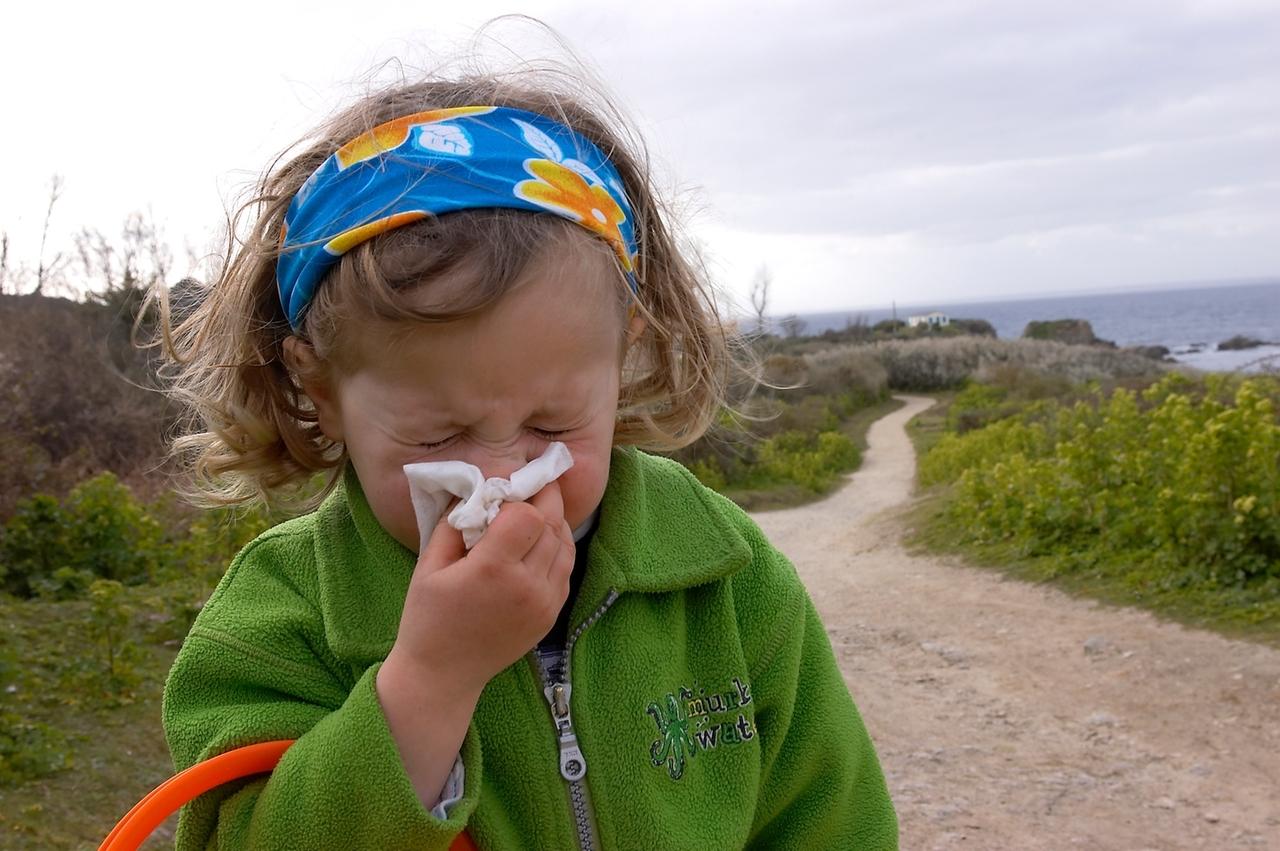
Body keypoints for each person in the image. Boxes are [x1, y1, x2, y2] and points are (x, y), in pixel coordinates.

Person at [157, 58, 897, 850]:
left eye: (552, 423)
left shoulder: (722, 573)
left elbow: (830, 814)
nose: (504, 478)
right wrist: (432, 678)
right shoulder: (281, 616)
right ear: (324, 389)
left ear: (621, 363)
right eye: (439, 437)